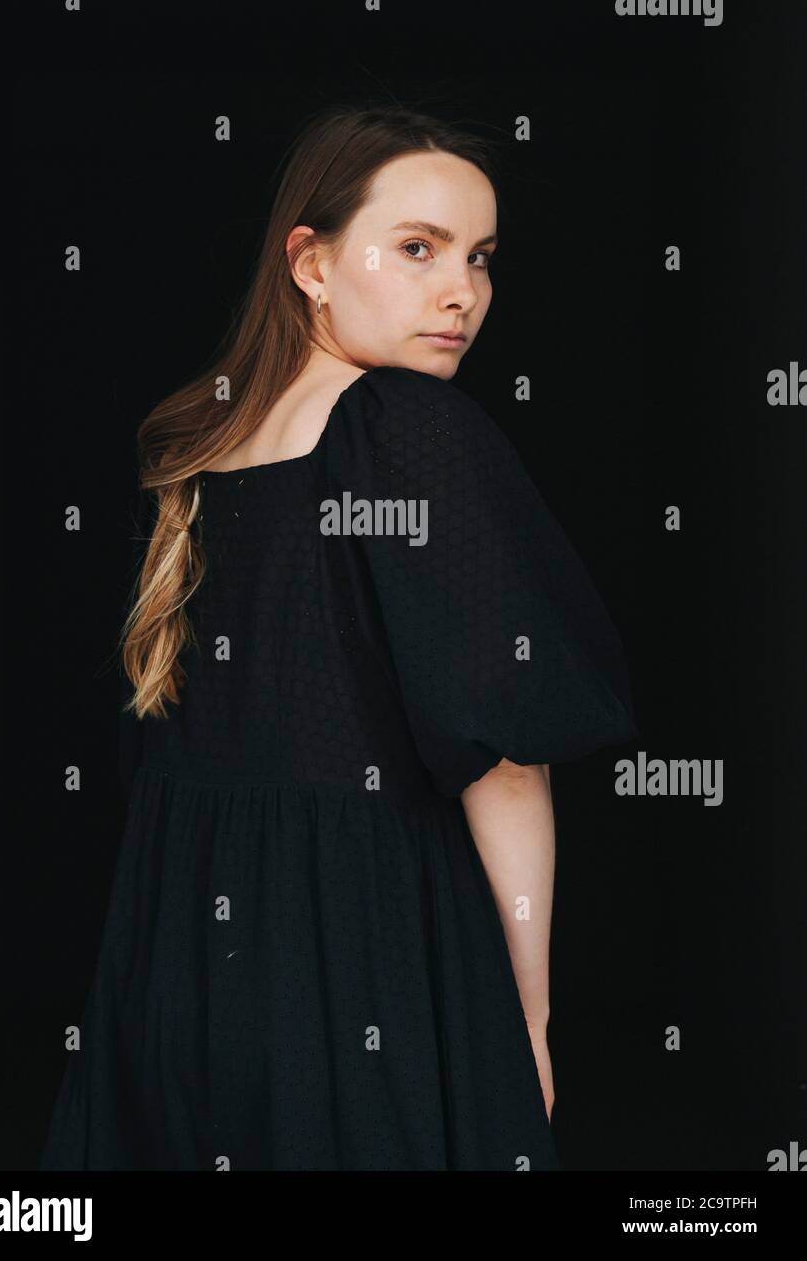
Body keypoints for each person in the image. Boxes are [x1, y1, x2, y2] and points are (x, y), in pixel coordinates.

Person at [39, 104, 639, 1171]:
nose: (460, 290)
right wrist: (529, 1021)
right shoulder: (401, 426)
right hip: (356, 954)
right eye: (416, 248)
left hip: (176, 968)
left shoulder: (206, 451)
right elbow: (501, 755)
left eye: (479, 257)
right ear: (309, 263)